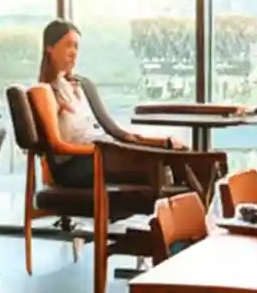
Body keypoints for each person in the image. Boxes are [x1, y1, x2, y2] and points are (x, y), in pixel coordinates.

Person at [37, 19, 179, 187]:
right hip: (76, 163)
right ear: (49, 48)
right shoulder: (44, 91)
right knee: (155, 166)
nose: (73, 52)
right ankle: (166, 210)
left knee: (177, 159)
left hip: (104, 152)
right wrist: (102, 151)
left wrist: (163, 143)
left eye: (76, 47)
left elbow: (116, 132)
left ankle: (189, 210)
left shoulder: (81, 86)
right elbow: (55, 145)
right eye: (68, 45)